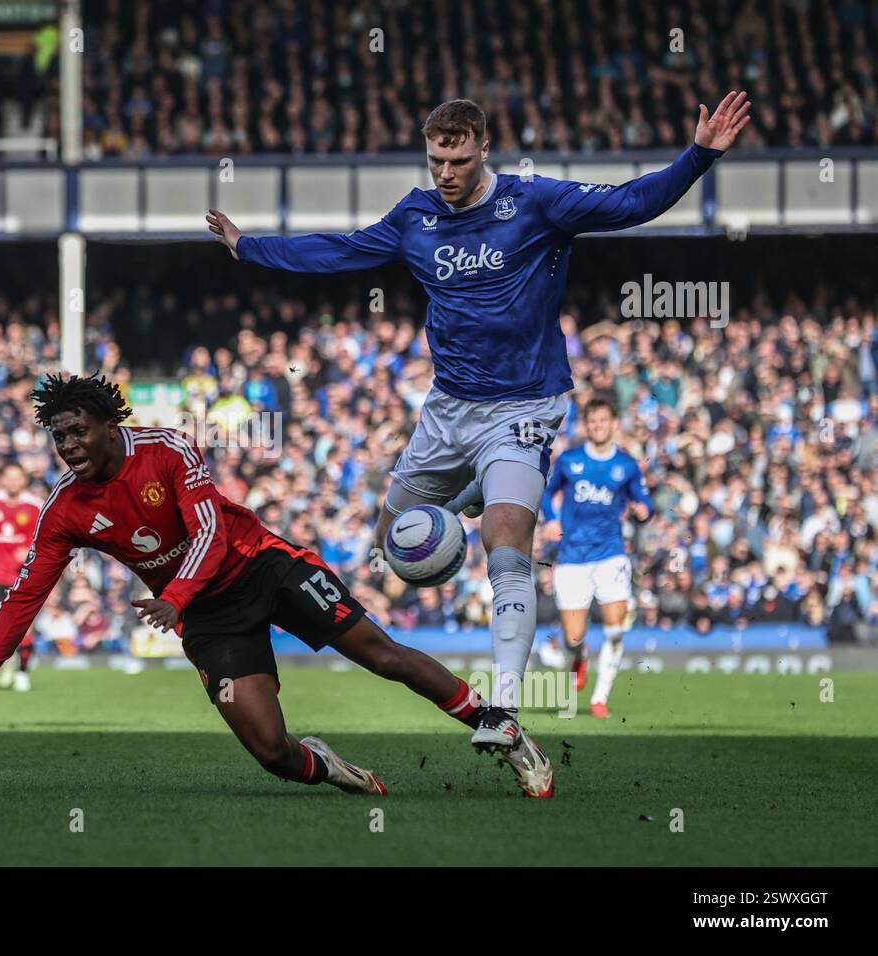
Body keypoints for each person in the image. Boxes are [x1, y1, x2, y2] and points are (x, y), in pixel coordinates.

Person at [207, 91, 749, 751]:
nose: (446, 172)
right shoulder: (416, 216)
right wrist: (250, 247)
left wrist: (699, 156)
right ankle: (463, 494)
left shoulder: (537, 202)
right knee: (391, 548)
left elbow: (633, 202)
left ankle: (506, 708)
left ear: (484, 149)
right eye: (437, 159)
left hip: (524, 406)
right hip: (448, 410)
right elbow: (341, 251)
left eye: (458, 159)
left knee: (506, 544)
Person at [0, 373, 554, 798]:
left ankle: (505, 729)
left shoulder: (167, 450)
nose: (67, 445)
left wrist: (173, 598)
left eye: (76, 430)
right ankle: (330, 765)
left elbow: (210, 535)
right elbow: (26, 593)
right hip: (207, 617)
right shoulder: (64, 511)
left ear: (110, 425)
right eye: (57, 436)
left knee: (383, 655)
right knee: (274, 754)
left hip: (262, 566)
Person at [541, 399, 653, 717]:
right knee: (573, 636)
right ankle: (580, 655)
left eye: (603, 420)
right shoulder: (570, 460)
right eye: (592, 421)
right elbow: (548, 493)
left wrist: (644, 512)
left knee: (616, 630)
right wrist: (551, 517)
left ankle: (599, 698)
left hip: (611, 556)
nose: (598, 426)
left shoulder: (627, 465)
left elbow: (644, 500)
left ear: (614, 423)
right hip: (573, 555)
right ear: (586, 424)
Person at [0, 463, 42, 690]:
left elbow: (43, 539)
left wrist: (29, 552)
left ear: (24, 480)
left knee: (25, 626)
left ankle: (23, 673)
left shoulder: (35, 506)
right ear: (2, 479)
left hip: (23, 576)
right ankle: (6, 663)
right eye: (9, 477)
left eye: (17, 477)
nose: (13, 481)